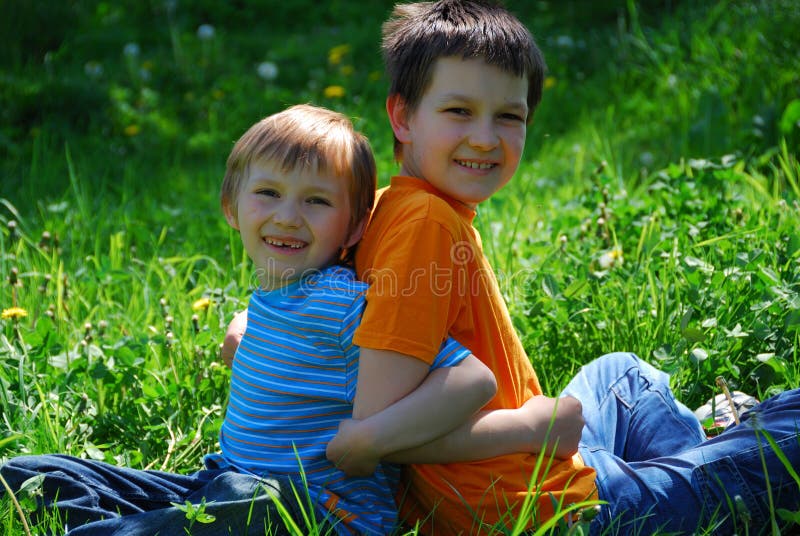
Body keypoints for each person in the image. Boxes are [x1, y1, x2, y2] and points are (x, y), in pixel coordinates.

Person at [321, 1, 800, 534]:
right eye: (459, 111)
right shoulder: (428, 224)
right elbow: (382, 431)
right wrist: (530, 428)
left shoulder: (390, 205)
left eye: (508, 116)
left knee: (623, 376)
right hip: (538, 511)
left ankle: (699, 478)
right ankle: (703, 484)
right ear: (403, 116)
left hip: (525, 478)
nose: (485, 137)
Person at [0, 104, 497, 536]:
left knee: (240, 503)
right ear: (231, 207)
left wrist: (374, 438)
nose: (287, 216)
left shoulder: (345, 301)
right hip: (221, 484)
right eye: (268, 192)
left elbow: (473, 379)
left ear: (356, 225)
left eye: (316, 201)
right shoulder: (274, 295)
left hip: (319, 515)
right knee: (29, 475)